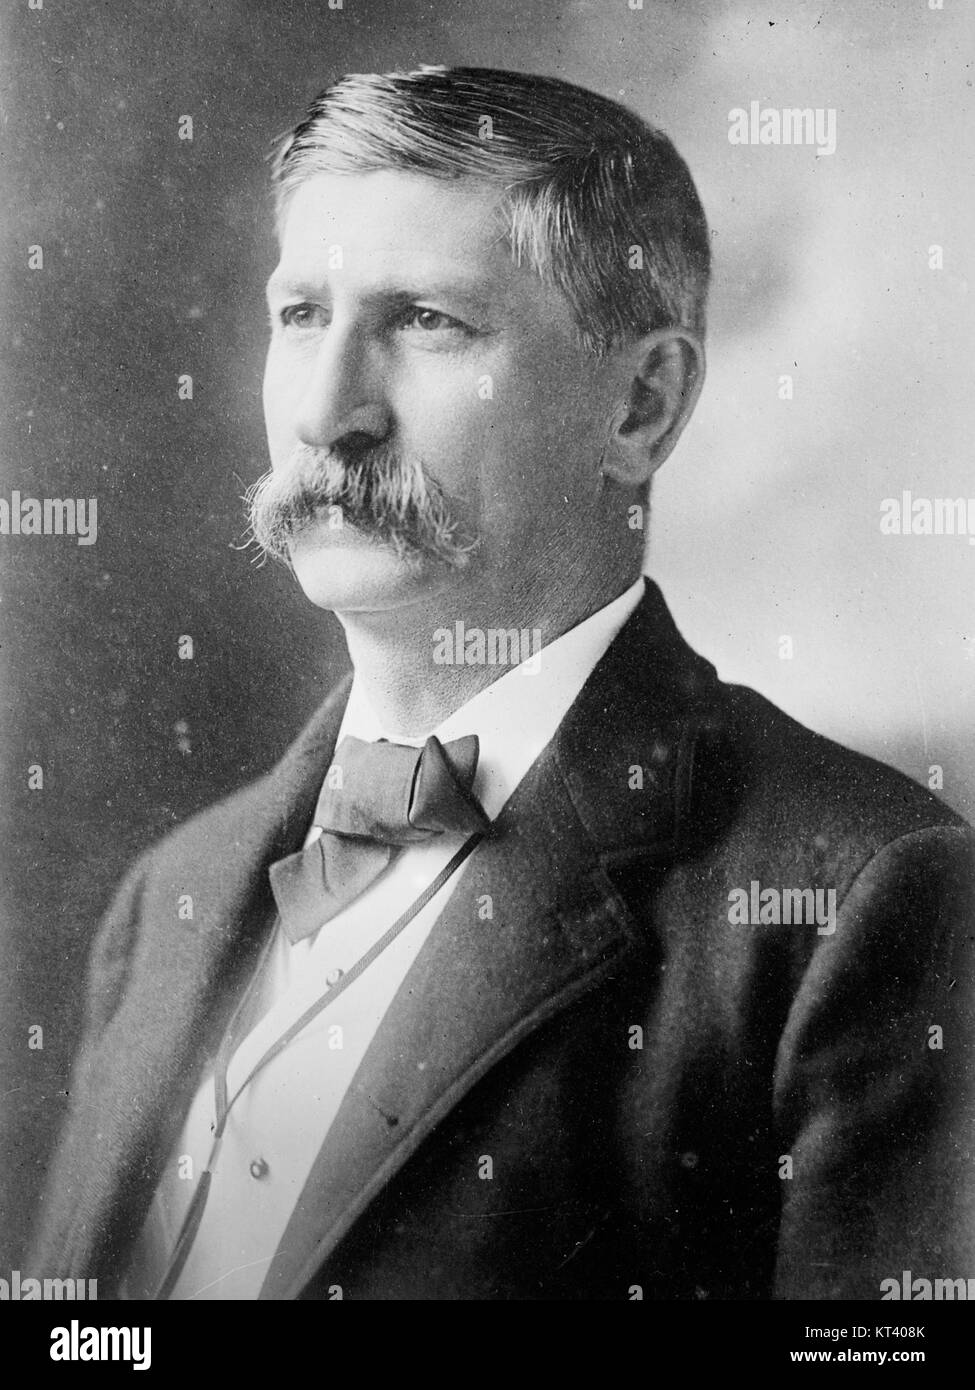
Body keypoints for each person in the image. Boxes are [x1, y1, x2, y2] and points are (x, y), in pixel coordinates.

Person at [29, 65, 975, 1301]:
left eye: (429, 321)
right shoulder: (173, 897)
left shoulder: (859, 903)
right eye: (304, 313)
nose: (328, 413)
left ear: (641, 406)